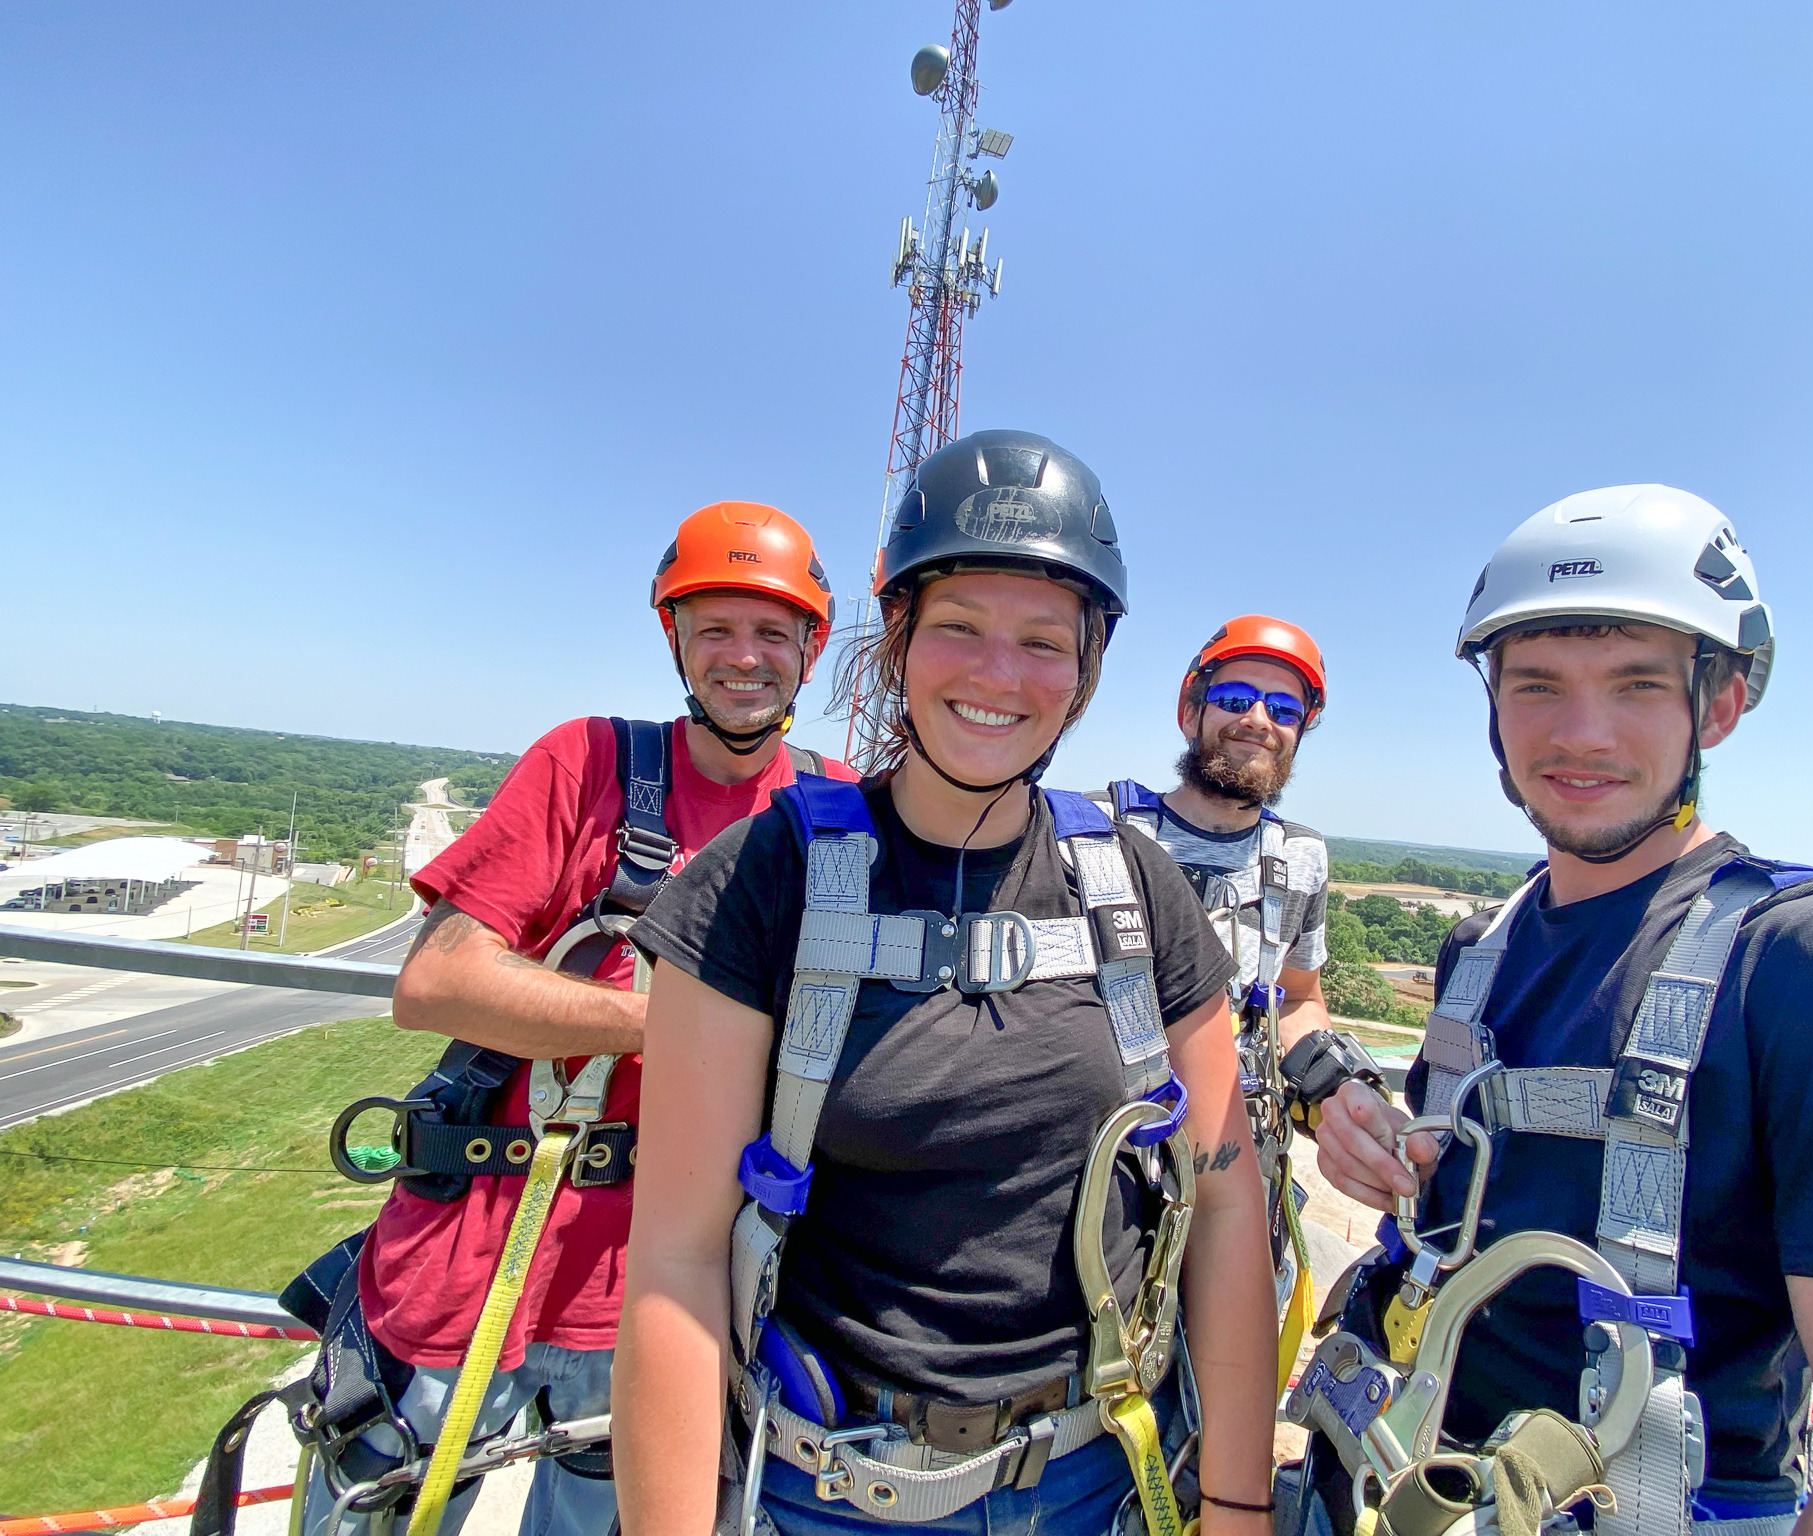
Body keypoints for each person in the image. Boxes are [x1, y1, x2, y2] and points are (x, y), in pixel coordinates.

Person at [1298, 485, 1813, 1536]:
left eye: (1634, 684)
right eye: (1535, 686)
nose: (1580, 734)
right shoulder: (1476, 953)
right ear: (1490, 707)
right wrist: (1390, 1158)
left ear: (1716, 704)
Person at [615, 429, 1278, 1536]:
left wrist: (1240, 1507)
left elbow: (1222, 1202)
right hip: (831, 1486)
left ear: (1084, 671)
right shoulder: (765, 879)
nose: (997, 674)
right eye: (959, 628)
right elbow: (676, 1258)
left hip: (1098, 1476)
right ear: (899, 642)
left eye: (1042, 642)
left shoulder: (1131, 890)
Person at [295, 501, 855, 1536]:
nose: (744, 656)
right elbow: (438, 983)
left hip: (655, 1289)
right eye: (715, 628)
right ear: (674, 640)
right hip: (476, 1260)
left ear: (810, 652)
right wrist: (681, 1022)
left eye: (772, 632)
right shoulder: (590, 766)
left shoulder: (832, 812)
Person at [1103, 617, 1376, 1381]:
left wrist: (1341, 1088)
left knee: (1222, 1380)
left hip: (1243, 1155)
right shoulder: (1106, 835)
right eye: (1237, 696)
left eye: (1283, 710)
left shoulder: (1300, 859)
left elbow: (1296, 998)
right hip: (1118, 1155)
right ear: (1192, 708)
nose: (1259, 721)